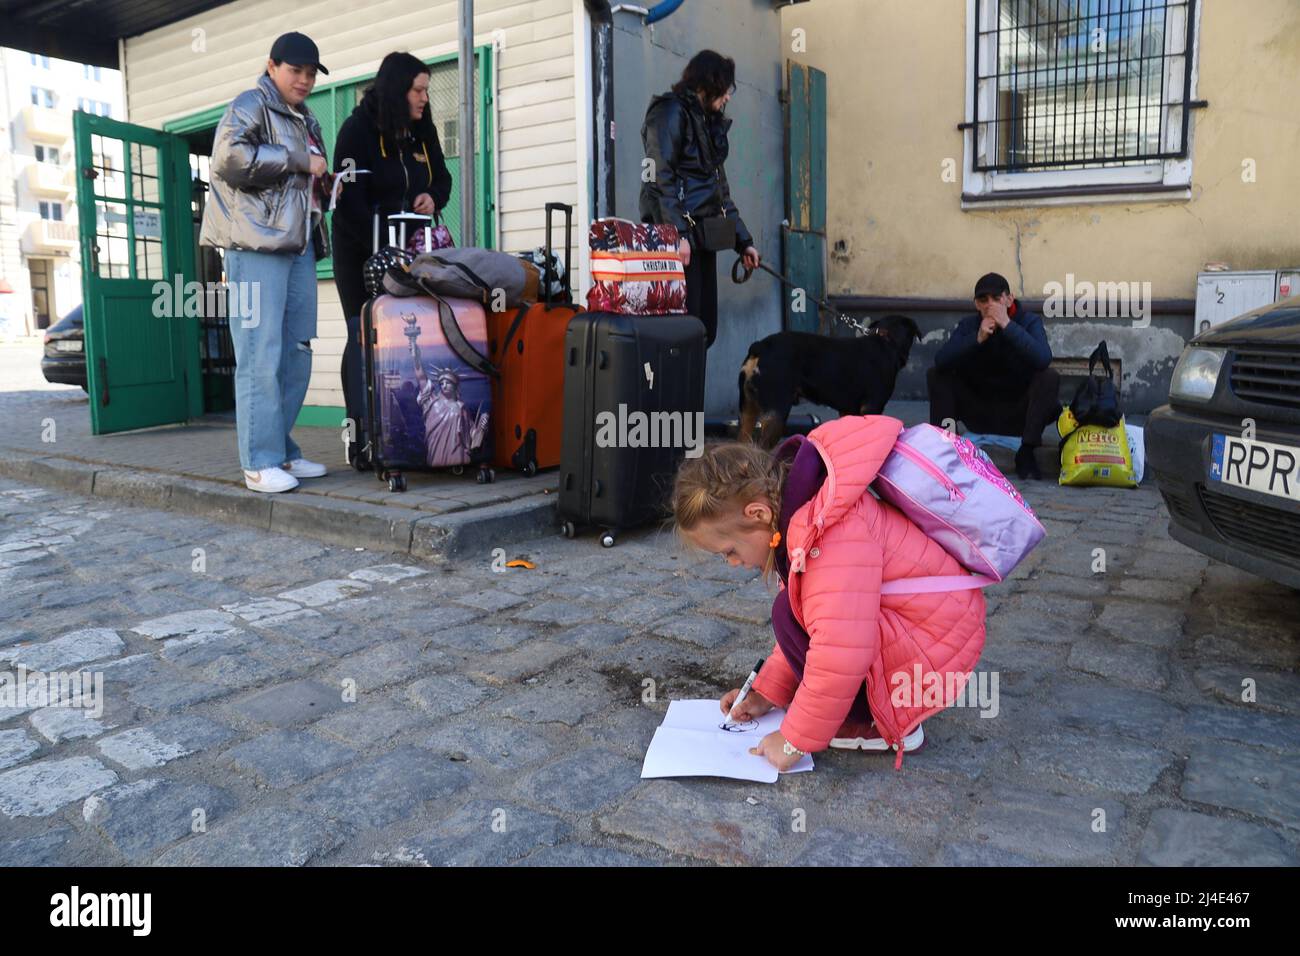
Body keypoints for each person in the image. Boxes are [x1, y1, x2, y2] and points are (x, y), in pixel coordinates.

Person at [671, 418, 987, 771]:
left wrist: (794, 739)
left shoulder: (828, 535)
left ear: (758, 514)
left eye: (729, 550)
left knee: (789, 615)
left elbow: (839, 651)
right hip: (920, 633)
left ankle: (874, 726)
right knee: (790, 610)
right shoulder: (805, 521)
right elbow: (813, 621)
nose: (731, 563)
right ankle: (860, 710)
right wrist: (767, 693)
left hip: (927, 652)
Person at [201, 32, 333, 493]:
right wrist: (299, 161)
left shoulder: (305, 117)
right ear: (272, 66)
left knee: (296, 351)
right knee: (260, 354)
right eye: (295, 70)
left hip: (298, 246)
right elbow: (229, 159)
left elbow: (301, 182)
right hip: (254, 246)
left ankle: (282, 452)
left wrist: (326, 183)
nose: (304, 80)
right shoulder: (250, 104)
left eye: (311, 73)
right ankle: (258, 463)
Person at [331, 51, 454, 452]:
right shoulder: (357, 130)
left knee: (406, 337)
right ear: (397, 90)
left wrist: (432, 197)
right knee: (363, 332)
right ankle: (358, 435)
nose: (424, 98)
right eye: (417, 90)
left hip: (410, 249)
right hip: (360, 251)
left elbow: (444, 178)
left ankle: (399, 433)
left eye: (426, 91)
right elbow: (348, 204)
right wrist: (381, 252)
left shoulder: (422, 130)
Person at [640, 50, 760, 350]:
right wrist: (677, 235)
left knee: (705, 329)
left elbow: (719, 191)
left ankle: (690, 395)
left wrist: (743, 241)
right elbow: (659, 178)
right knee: (683, 332)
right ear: (708, 85)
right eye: (725, 90)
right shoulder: (669, 113)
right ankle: (676, 397)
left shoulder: (707, 122)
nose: (728, 98)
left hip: (703, 238)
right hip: (680, 242)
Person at [928, 272, 1060, 480]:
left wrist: (1007, 325)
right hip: (979, 410)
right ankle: (945, 446)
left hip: (1018, 413)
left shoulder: (1029, 321)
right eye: (983, 300)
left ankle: (1027, 452)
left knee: (1049, 377)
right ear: (976, 305)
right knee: (938, 374)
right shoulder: (969, 325)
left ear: (1009, 299)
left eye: (996, 299)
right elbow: (941, 361)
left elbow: (1043, 358)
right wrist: (977, 338)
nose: (990, 306)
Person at [406, 316, 488, 466]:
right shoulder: (431, 402)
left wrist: (481, 426)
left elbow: (471, 434)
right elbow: (420, 374)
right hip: (436, 450)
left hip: (457, 452)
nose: (444, 385)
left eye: (448, 382)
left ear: (455, 386)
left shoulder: (461, 408)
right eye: (441, 382)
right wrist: (413, 339)